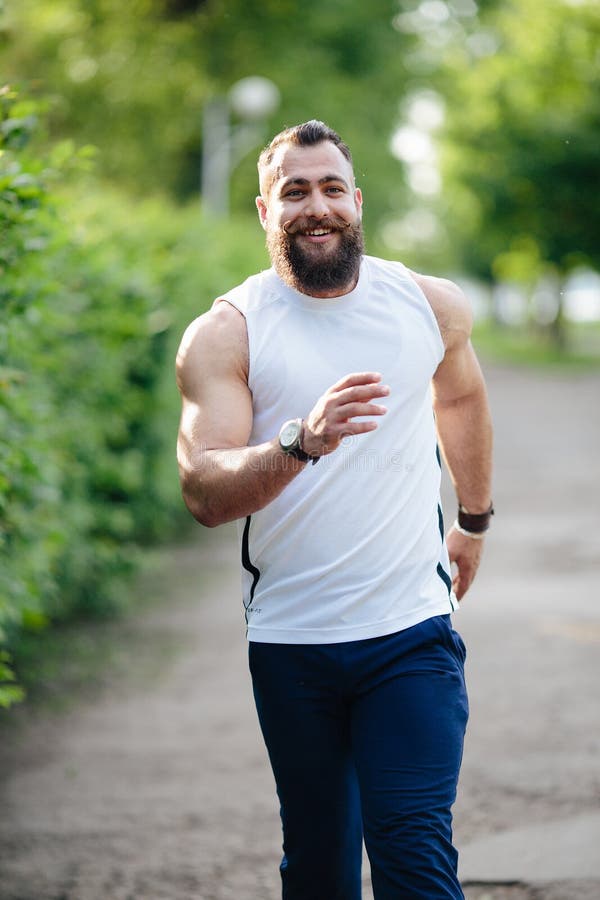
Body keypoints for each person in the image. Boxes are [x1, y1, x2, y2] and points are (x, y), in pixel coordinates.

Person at [176, 120, 493, 900]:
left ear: (357, 202)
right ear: (264, 211)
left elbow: (461, 396)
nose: (315, 207)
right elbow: (203, 490)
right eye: (294, 192)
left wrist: (475, 518)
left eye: (329, 189)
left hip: (410, 634)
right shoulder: (227, 334)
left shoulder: (429, 307)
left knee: (414, 852)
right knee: (317, 864)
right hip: (293, 643)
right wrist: (301, 441)